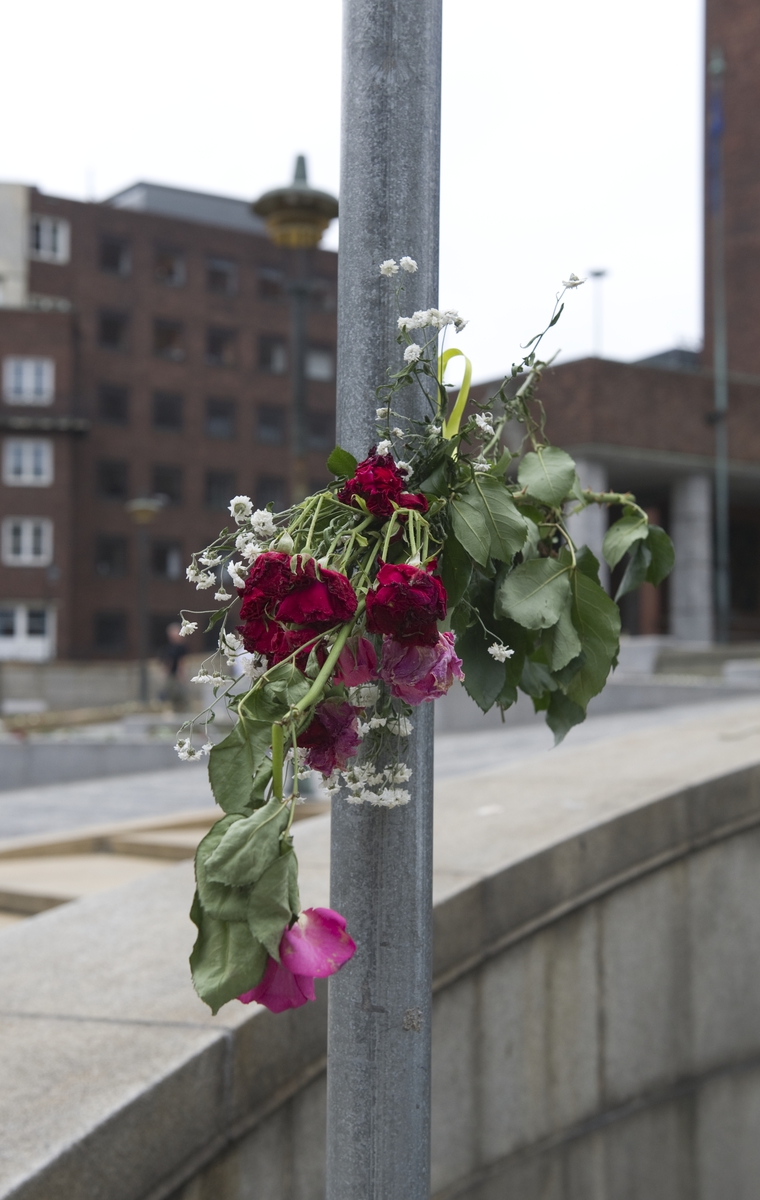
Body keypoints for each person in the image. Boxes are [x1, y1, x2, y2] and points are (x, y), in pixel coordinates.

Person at [159, 622, 189, 712]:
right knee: (169, 692)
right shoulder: (168, 647)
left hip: (178, 674)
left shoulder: (181, 647)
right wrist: (165, 673)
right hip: (171, 674)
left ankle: (183, 709)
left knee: (180, 693)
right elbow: (167, 661)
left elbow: (182, 661)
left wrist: (182, 673)